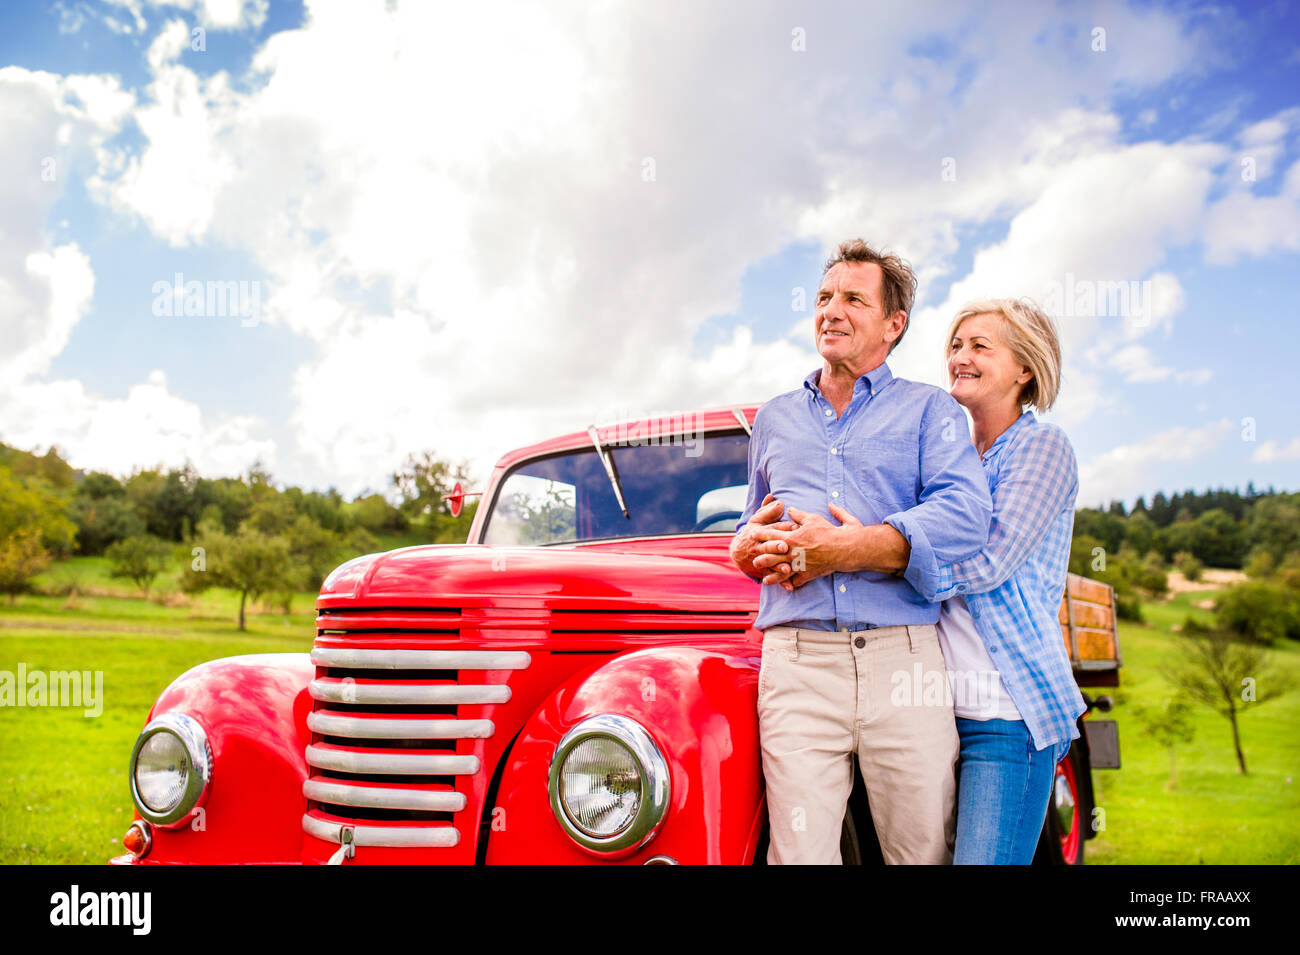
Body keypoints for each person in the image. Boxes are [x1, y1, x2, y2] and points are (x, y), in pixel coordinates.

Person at [754, 297, 1086, 865]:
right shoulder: (948, 457)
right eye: (956, 344)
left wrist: (862, 549)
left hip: (1006, 706)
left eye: (981, 346)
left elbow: (988, 561)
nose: (961, 356)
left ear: (1025, 369)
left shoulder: (1042, 447)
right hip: (933, 696)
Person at [730, 239, 992, 865]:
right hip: (796, 665)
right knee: (799, 855)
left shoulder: (933, 411)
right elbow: (750, 524)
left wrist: (849, 548)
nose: (832, 311)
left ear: (893, 324)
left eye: (853, 298)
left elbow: (966, 517)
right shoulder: (774, 418)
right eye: (824, 298)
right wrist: (744, 549)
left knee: (921, 851)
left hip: (903, 660)